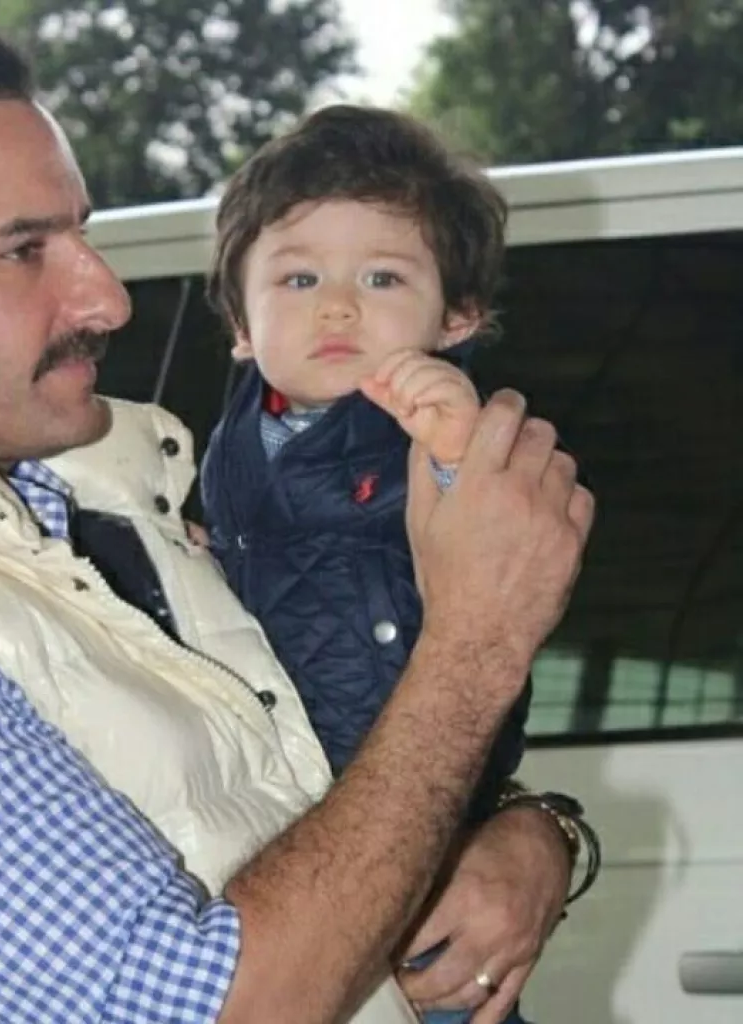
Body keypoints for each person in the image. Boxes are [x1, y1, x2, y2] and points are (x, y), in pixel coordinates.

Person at [0, 12, 593, 1024]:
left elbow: (342, 805)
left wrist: (528, 831)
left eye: (80, 232)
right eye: (21, 253)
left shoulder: (103, 504)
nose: (106, 296)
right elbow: (215, 1012)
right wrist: (476, 643)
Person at [200, 106, 549, 1021]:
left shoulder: (435, 430)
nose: (338, 304)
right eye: (300, 276)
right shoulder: (211, 448)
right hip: (282, 852)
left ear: (458, 316)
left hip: (417, 848)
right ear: (241, 323)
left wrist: (452, 449)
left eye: (383, 275)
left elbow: (490, 555)